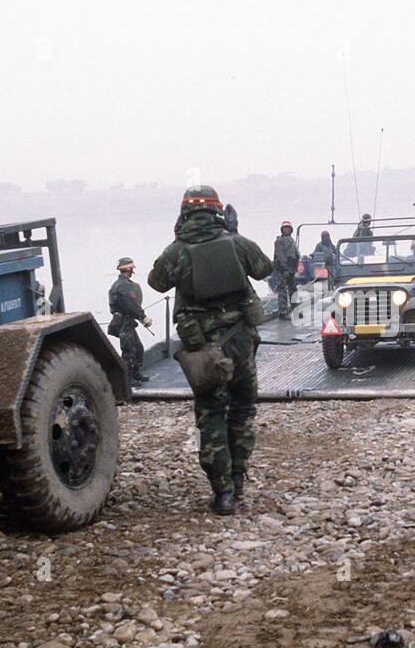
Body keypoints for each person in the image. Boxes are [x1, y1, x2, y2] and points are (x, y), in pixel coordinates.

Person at [148, 185, 273, 515]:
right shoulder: (237, 243)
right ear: (219, 211)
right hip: (241, 344)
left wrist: (178, 240)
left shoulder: (176, 251)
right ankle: (239, 480)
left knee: (211, 414)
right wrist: (235, 234)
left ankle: (223, 493)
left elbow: (156, 283)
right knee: (243, 409)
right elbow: (264, 269)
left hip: (203, 348)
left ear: (184, 213)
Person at [108, 256, 151, 386]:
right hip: (124, 323)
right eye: (131, 268)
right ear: (129, 269)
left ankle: (135, 373)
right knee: (128, 350)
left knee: (138, 348)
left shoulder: (119, 284)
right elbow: (132, 304)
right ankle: (127, 378)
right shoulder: (124, 286)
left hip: (126, 321)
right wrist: (143, 317)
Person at [272, 220, 300, 318]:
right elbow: (280, 256)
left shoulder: (291, 240)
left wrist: (293, 269)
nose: (287, 229)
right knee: (283, 291)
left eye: (288, 228)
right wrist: (286, 269)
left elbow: (295, 255)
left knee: (293, 290)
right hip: (283, 270)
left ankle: (295, 309)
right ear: (282, 230)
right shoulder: (279, 241)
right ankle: (283, 312)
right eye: (285, 228)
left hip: (291, 269)